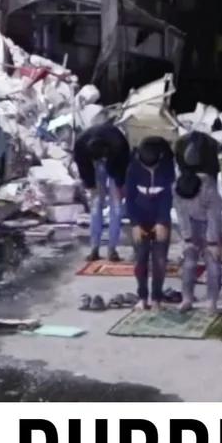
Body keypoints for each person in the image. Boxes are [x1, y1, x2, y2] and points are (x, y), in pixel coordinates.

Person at [124, 137, 176, 310]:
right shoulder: (133, 169)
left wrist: (162, 221)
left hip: (160, 218)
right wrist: (135, 224)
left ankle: (157, 298)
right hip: (140, 219)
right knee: (141, 258)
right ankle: (142, 297)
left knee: (160, 260)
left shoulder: (167, 167)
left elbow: (167, 197)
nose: (151, 170)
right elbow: (129, 199)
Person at [74, 123, 130, 262]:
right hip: (94, 162)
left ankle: (112, 250)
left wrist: (120, 185)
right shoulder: (81, 147)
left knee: (116, 206)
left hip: (115, 162)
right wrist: (91, 185)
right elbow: (84, 169)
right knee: (96, 204)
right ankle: (94, 249)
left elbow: (123, 166)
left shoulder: (118, 143)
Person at [173, 169, 222, 314]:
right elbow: (181, 214)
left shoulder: (209, 189)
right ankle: (187, 298)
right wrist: (187, 238)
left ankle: (211, 301)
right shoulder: (177, 189)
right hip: (191, 222)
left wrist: (212, 243)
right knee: (189, 261)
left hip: (209, 222)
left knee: (212, 262)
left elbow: (214, 217)